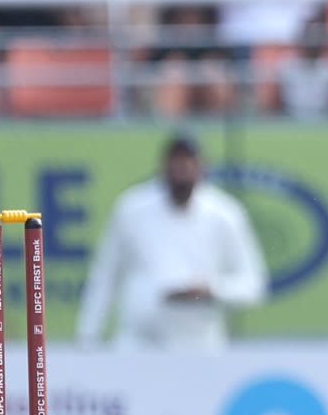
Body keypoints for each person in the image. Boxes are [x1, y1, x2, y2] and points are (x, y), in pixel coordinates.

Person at [77, 133, 269, 350]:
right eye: (176, 160)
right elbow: (105, 275)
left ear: (203, 166)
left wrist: (210, 290)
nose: (182, 168)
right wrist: (88, 337)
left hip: (200, 347)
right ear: (163, 165)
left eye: (189, 161)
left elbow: (253, 284)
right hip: (139, 345)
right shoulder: (132, 208)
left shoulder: (225, 213)